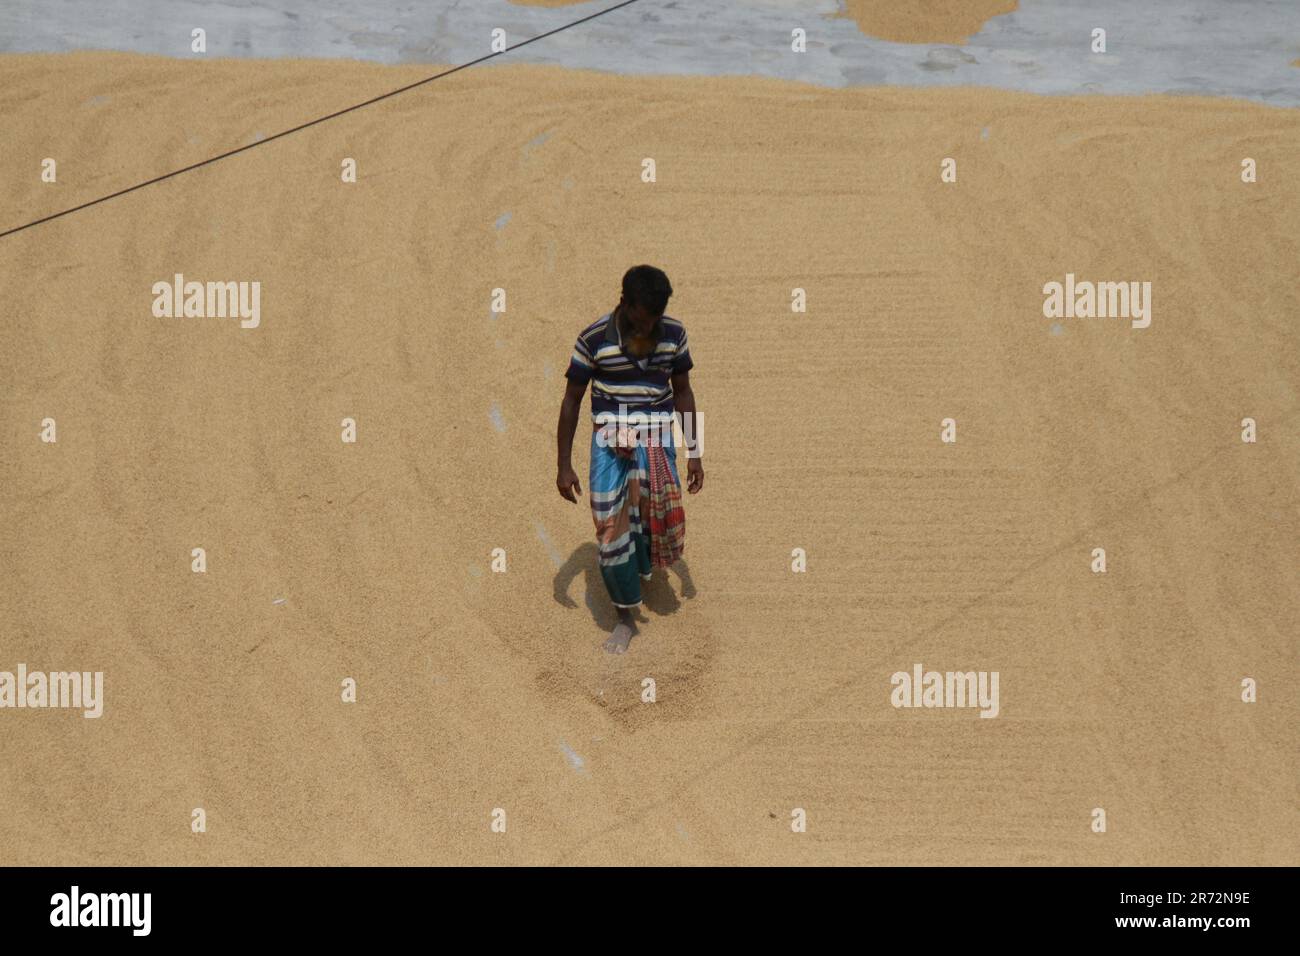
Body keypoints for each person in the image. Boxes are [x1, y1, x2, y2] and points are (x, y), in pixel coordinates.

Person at [555, 265, 704, 654]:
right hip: (608, 443)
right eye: (641, 320)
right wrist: (563, 464)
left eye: (654, 320)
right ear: (624, 304)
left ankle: (641, 573)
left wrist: (695, 452)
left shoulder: (673, 335)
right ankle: (625, 618)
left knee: (649, 519)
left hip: (656, 440)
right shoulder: (593, 339)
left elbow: (683, 392)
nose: (648, 329)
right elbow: (572, 400)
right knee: (608, 532)